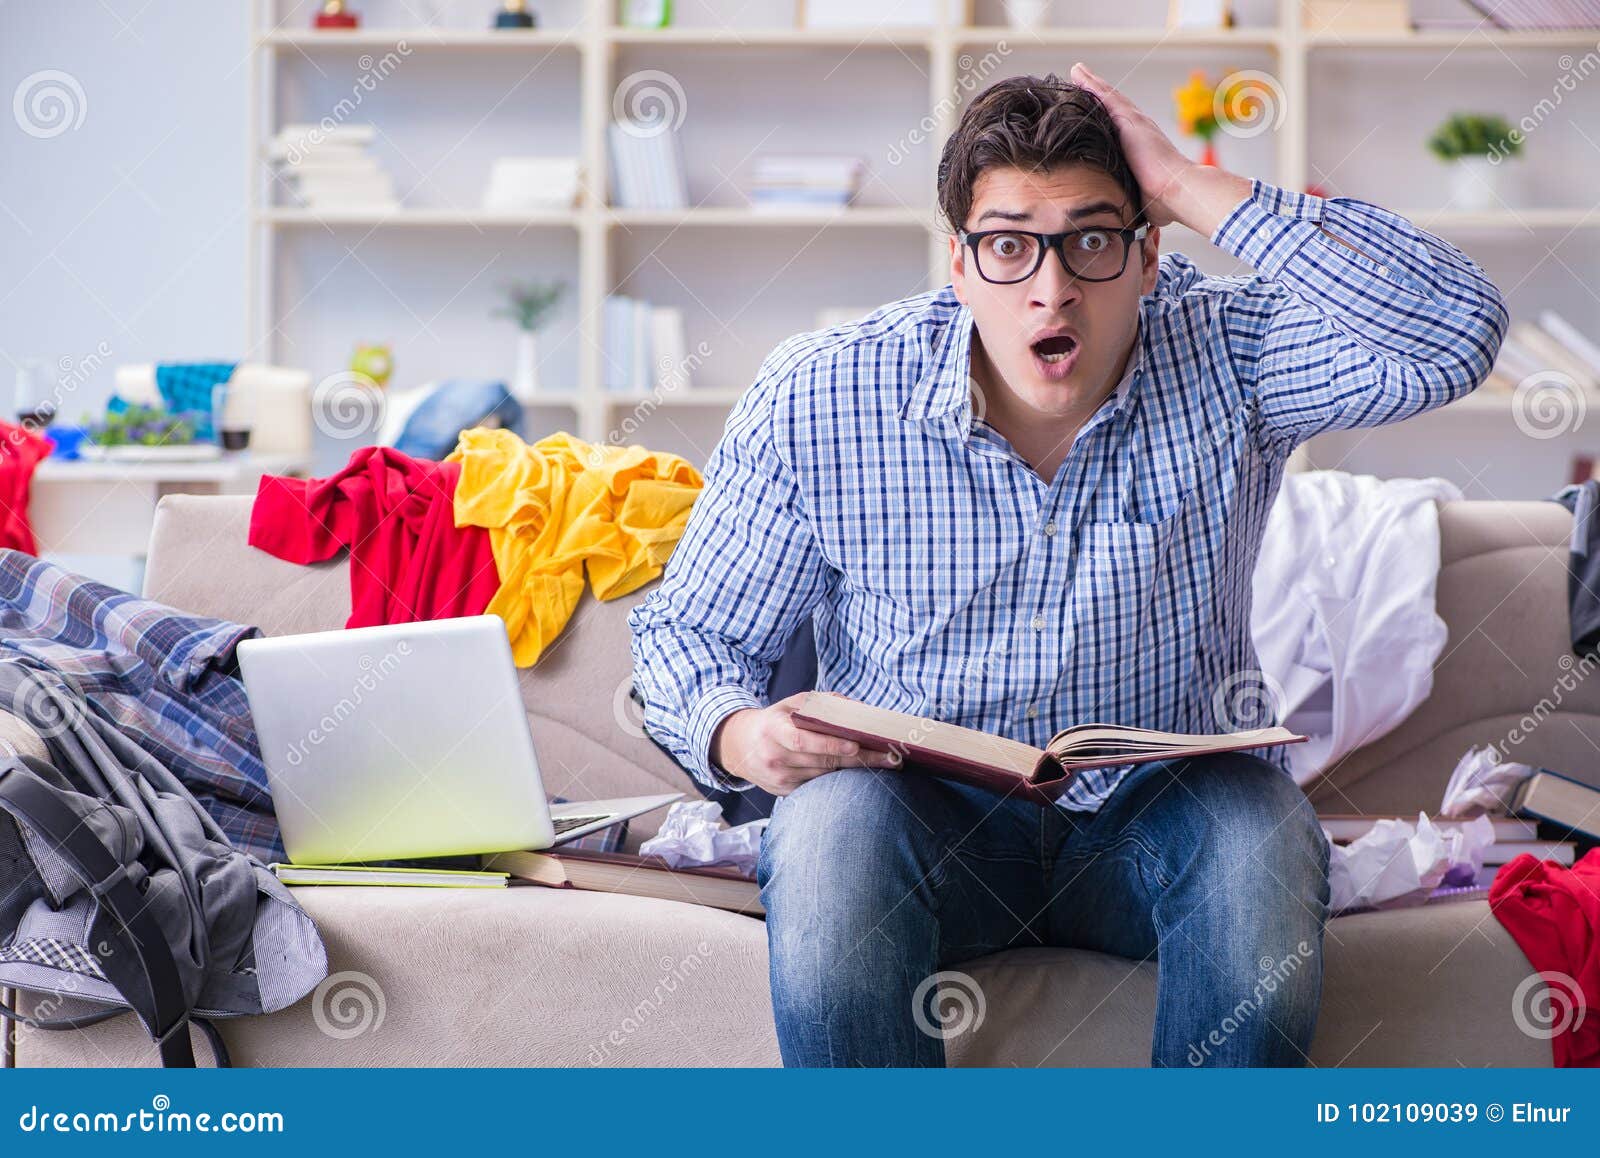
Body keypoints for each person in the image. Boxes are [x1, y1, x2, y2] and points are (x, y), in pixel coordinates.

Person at [627, 65, 1508, 1067]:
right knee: (828, 834)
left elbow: (1451, 332)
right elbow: (690, 633)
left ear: (1147, 257)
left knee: (1260, 836)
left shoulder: (1232, 353)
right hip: (914, 819)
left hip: (1168, 816)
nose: (1051, 289)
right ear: (959, 265)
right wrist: (737, 735)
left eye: (1091, 240)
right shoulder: (824, 394)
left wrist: (1185, 181)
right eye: (1008, 246)